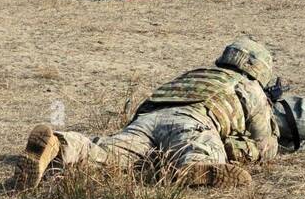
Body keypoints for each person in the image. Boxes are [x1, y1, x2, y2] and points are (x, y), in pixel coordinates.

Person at [16, 37, 280, 188]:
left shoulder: (198, 74)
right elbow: (263, 143)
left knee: (106, 152)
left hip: (146, 120)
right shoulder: (251, 88)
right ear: (259, 69)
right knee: (200, 150)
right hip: (193, 120)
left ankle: (60, 145)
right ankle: (197, 170)